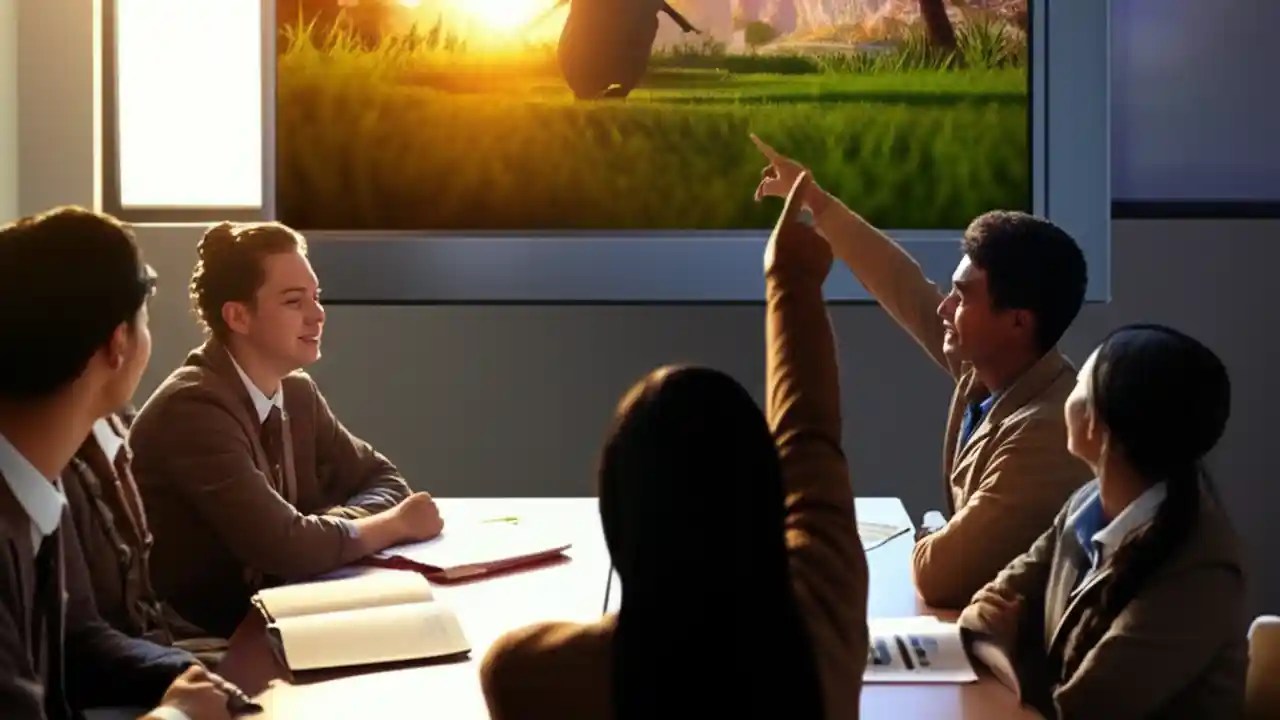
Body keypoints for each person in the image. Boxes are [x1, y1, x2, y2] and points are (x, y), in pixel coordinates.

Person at [479, 175, 868, 719]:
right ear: (762, 493)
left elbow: (807, 441)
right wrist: (790, 275)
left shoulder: (531, 674)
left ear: (620, 515)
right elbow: (809, 438)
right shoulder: (826, 610)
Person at [752, 135, 1093, 609]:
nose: (945, 307)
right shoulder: (996, 371)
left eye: (963, 295)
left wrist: (936, 529)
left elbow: (938, 574)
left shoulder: (1045, 432)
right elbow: (903, 284)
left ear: (1018, 321)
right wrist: (816, 202)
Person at [129, 221, 443, 638]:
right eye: (294, 301)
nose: (317, 314)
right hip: (198, 641)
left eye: (316, 297)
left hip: (282, 617)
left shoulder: (296, 394)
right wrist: (394, 525)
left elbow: (382, 479)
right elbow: (285, 547)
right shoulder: (193, 408)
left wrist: (321, 529)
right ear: (238, 315)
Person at [0, 206, 242, 720]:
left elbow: (77, 640)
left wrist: (185, 676)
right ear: (118, 342)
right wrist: (174, 714)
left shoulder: (34, 481)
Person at [958, 324, 1248, 719]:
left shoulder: (1201, 568)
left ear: (1097, 424)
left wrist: (1012, 651)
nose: (1068, 393)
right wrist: (1003, 639)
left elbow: (1086, 709)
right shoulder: (1086, 505)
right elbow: (985, 608)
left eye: (1079, 383)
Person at [61, 408, 228, 665]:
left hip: (155, 646)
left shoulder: (114, 426)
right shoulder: (55, 461)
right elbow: (82, 636)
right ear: (114, 363)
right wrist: (186, 667)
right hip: (111, 682)